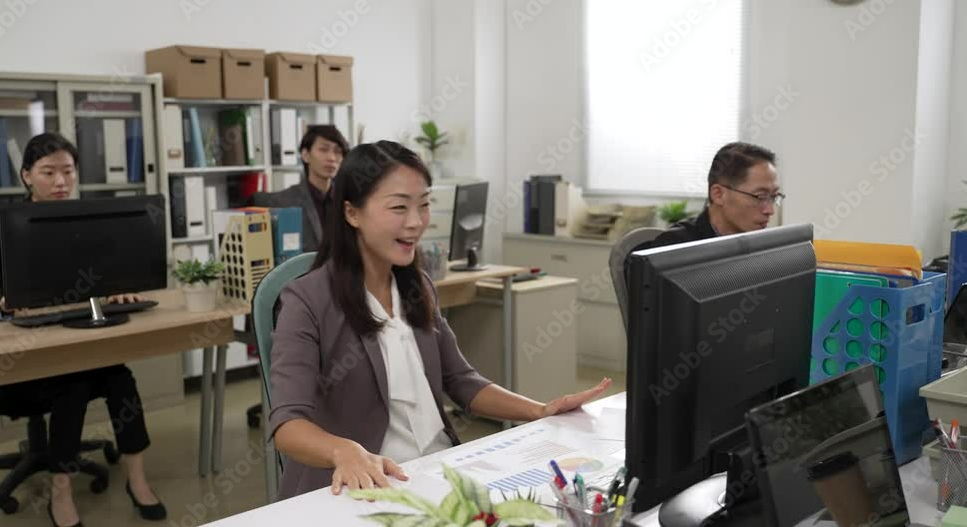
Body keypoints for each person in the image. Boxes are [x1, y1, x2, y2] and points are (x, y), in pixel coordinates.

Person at [268, 140, 612, 499]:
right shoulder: (306, 301)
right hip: (367, 485)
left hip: (435, 470)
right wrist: (344, 450)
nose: (416, 222)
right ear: (352, 213)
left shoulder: (417, 287)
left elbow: (461, 380)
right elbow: (287, 424)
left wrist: (539, 410)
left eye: (425, 205)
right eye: (399, 207)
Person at [0, 133, 166, 526]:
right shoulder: (2, 223)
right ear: (26, 176)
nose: (60, 182)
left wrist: (119, 290)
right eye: (48, 172)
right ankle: (61, 492)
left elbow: (105, 275)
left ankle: (137, 479)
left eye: (68, 172)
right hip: (22, 359)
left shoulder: (84, 218)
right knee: (72, 384)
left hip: (79, 341)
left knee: (121, 379)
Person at [643, 142, 783, 249]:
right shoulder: (673, 250)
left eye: (773, 197)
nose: (770, 211)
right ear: (719, 194)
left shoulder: (762, 246)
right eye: (760, 197)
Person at [250, 125, 349, 252]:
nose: (332, 158)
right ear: (305, 155)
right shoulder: (284, 203)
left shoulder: (348, 201)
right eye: (323, 150)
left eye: (338, 151)